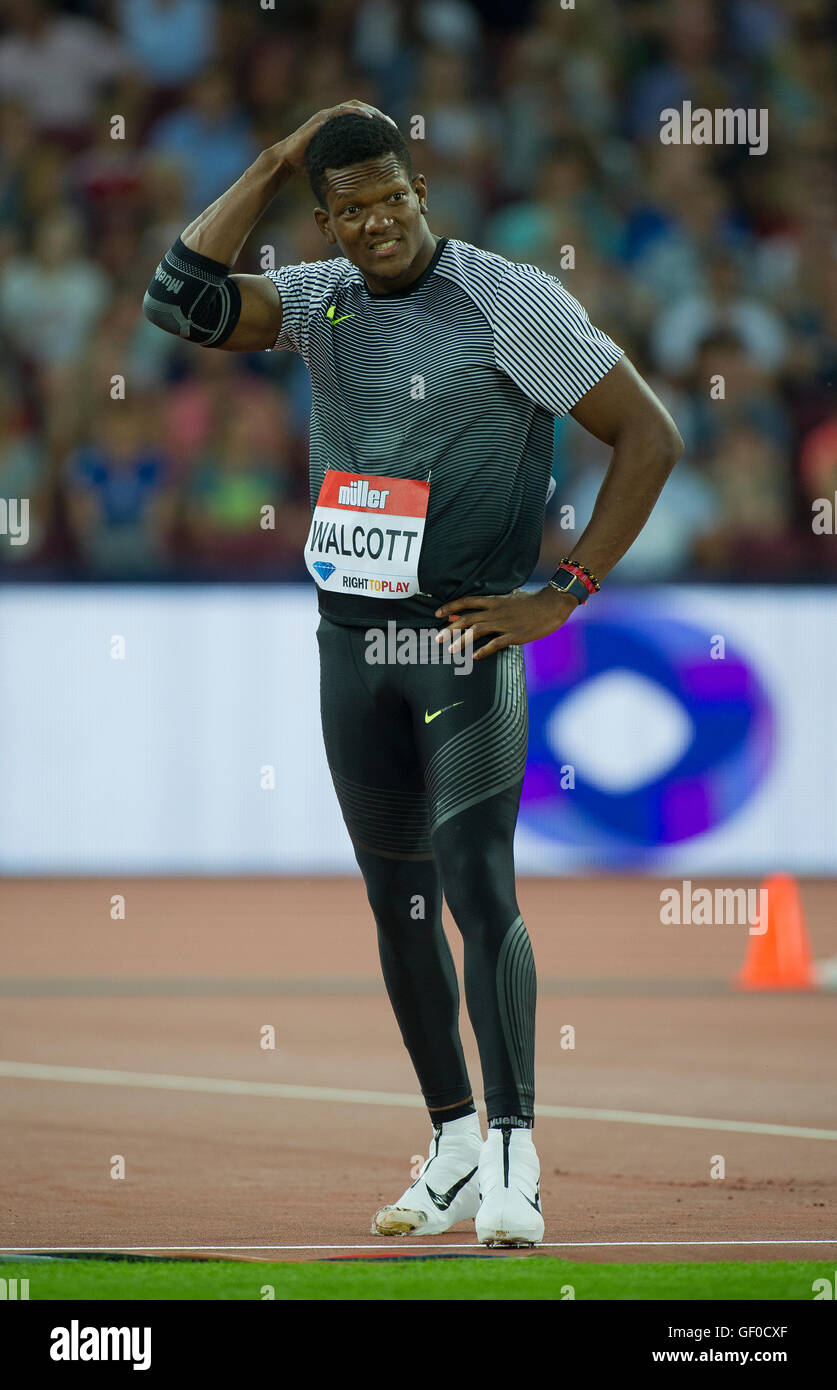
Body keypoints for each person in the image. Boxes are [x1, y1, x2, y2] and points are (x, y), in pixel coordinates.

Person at [142, 100, 683, 1247]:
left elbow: (650, 434)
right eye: (350, 207)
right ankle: (446, 1146)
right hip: (352, 641)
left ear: (420, 192)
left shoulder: (506, 298)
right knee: (399, 907)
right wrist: (277, 158)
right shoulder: (316, 298)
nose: (378, 221)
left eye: (393, 198)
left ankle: (513, 1158)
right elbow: (177, 298)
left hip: (461, 641)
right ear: (327, 221)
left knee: (479, 889)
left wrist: (567, 591)